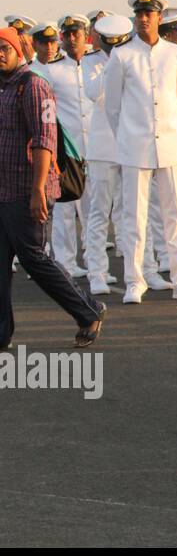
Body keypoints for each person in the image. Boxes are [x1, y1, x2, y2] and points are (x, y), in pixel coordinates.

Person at [0, 25, 106, 349]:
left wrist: (37, 191)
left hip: (26, 189)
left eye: (4, 48)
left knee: (35, 259)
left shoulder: (32, 86)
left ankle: (88, 311)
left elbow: (45, 140)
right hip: (2, 190)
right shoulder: (2, 88)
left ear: (19, 50)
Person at [101, 0, 177, 304]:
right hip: (135, 146)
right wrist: (130, 135)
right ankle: (135, 280)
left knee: (175, 217)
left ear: (160, 17)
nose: (144, 19)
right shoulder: (122, 55)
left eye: (150, 13)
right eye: (140, 14)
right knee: (134, 216)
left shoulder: (175, 54)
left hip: (170, 144)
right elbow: (113, 107)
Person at [43, 13, 103, 278]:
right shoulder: (53, 69)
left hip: (97, 146)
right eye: (66, 34)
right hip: (67, 152)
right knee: (65, 209)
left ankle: (94, 262)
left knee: (94, 210)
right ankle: (66, 262)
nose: (70, 38)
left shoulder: (98, 64)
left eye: (75, 33)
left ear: (86, 34)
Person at [83, 15, 134, 295]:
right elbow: (93, 93)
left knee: (132, 213)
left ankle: (139, 271)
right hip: (102, 147)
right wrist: (112, 65)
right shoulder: (91, 62)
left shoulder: (133, 59)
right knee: (99, 213)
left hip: (129, 144)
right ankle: (97, 273)